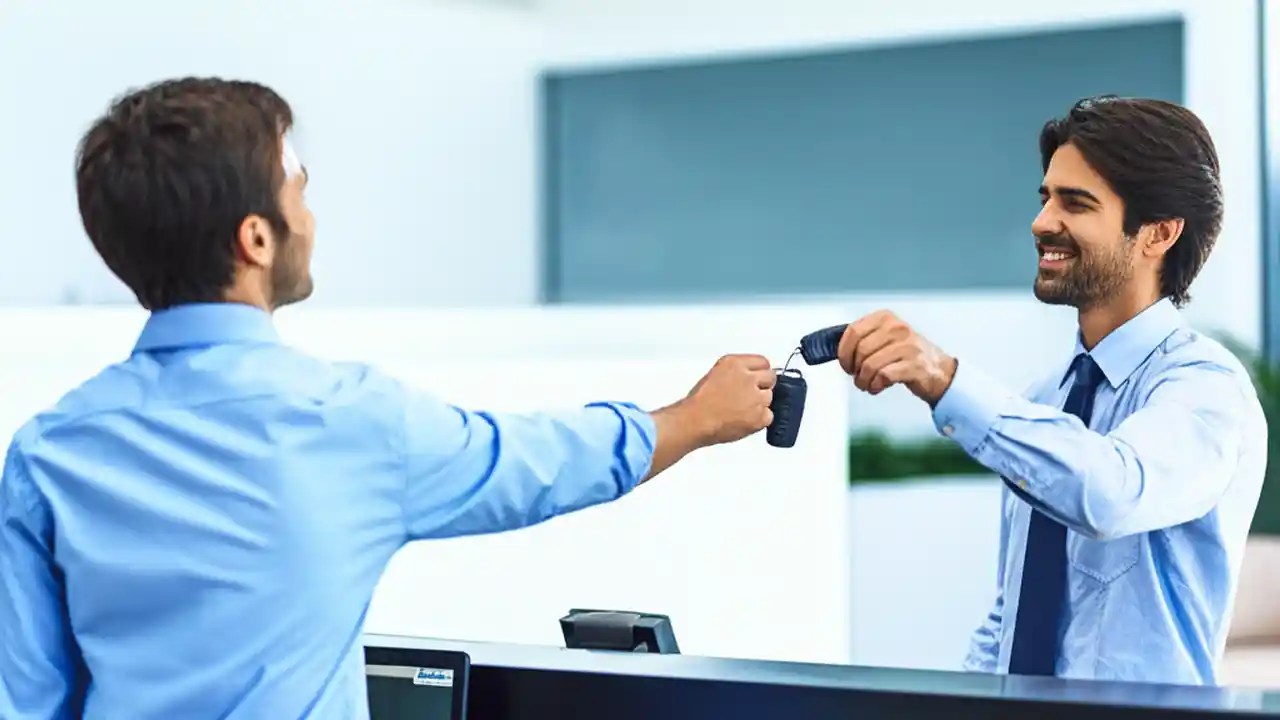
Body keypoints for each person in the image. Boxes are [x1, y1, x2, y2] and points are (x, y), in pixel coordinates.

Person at [0, 78, 777, 719]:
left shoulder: (49, 452)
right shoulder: (348, 424)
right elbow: (535, 463)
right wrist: (695, 420)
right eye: (298, 188)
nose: (309, 212)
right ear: (257, 239)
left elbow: (32, 701)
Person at [833, 96, 1266, 685]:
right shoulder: (1045, 401)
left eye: (1076, 203)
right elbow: (1014, 609)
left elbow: (1112, 492)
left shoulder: (1206, 391)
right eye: (1046, 197)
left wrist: (943, 378)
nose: (1041, 223)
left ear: (1158, 234)